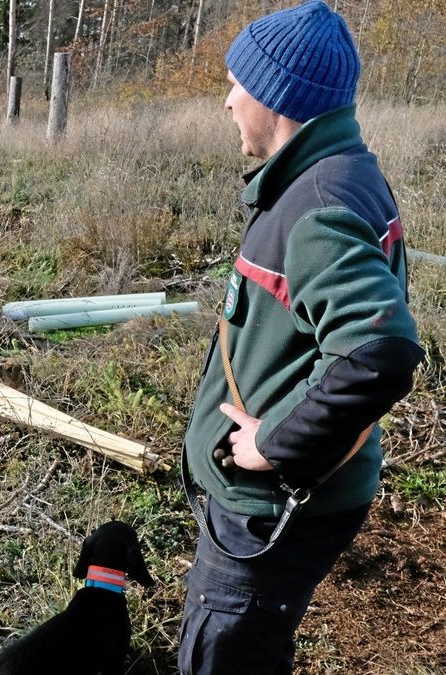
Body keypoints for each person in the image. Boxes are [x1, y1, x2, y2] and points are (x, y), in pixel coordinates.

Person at [178, 3, 424, 674]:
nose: (227, 102)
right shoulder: (336, 175)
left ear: (277, 96)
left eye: (237, 84)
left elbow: (381, 350)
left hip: (268, 509)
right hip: (291, 496)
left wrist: (274, 442)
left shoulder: (317, 206)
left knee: (222, 654)